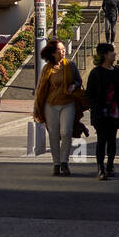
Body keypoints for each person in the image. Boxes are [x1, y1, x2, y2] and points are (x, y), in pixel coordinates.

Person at [33, 39, 87, 176]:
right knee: (54, 134)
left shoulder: (70, 65)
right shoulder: (46, 69)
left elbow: (78, 80)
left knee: (66, 132)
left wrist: (74, 85)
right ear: (52, 53)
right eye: (59, 51)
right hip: (50, 105)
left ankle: (64, 162)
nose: (62, 52)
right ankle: (56, 163)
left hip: (67, 103)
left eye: (63, 50)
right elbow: (40, 88)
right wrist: (37, 106)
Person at [85, 42, 119, 180]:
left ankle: (110, 165)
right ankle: (101, 168)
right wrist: (94, 106)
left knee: (112, 140)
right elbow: (89, 93)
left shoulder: (117, 72)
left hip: (114, 111)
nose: (115, 54)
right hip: (100, 112)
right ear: (105, 55)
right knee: (101, 140)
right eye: (112, 52)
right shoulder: (96, 73)